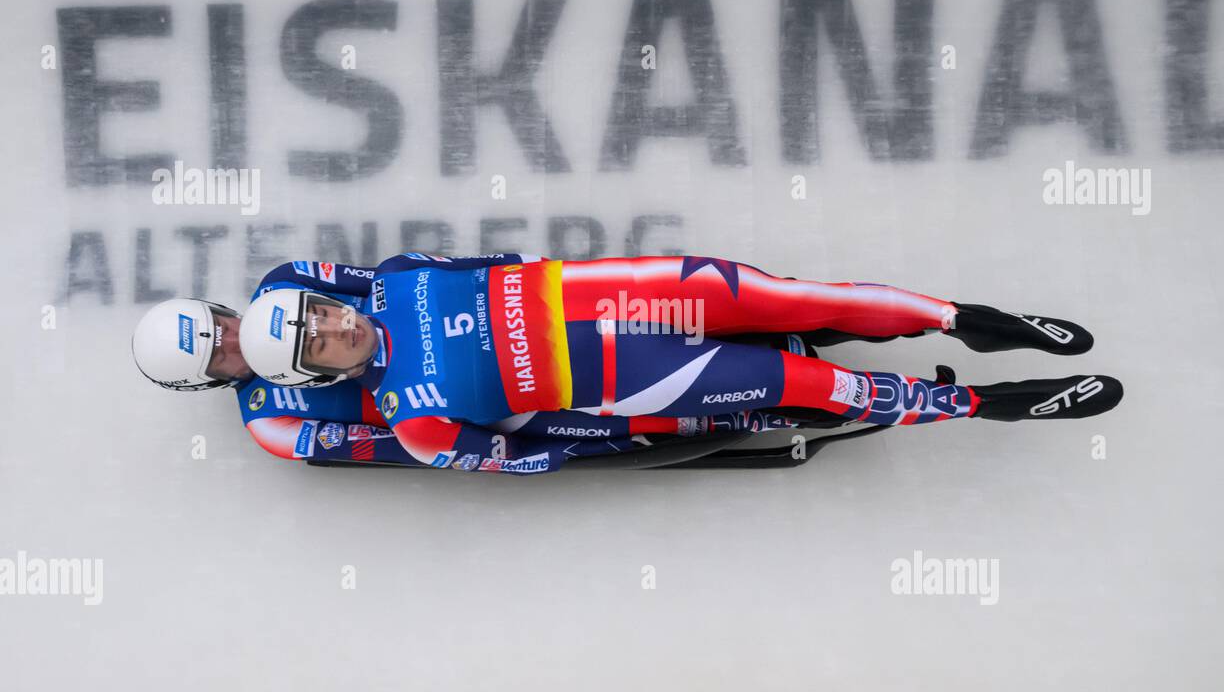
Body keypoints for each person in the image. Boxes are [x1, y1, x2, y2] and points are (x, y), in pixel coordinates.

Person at [239, 254, 1124, 475]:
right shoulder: (412, 420)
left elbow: (492, 262)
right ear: (320, 376)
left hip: (635, 289)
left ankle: (966, 319)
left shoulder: (394, 280)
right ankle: (988, 405)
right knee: (825, 387)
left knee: (796, 299)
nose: (332, 326)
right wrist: (632, 439)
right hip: (640, 377)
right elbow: (537, 455)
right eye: (316, 341)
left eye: (320, 312)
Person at [131, 254, 785, 465]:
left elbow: (382, 286)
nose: (228, 341)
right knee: (562, 417)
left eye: (216, 326)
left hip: (458, 337)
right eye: (215, 356)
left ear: (217, 308)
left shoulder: (284, 284)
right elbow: (375, 445)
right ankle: (724, 418)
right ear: (207, 383)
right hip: (449, 404)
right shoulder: (270, 425)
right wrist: (453, 434)